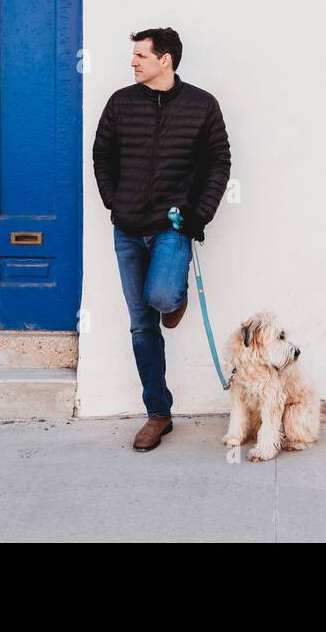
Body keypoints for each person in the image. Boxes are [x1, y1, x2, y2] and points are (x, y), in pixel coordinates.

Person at [92, 27, 231, 451]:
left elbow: (219, 163)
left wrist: (198, 215)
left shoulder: (202, 105)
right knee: (141, 325)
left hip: (173, 227)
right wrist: (115, 201)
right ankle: (158, 413)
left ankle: (176, 299)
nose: (132, 62)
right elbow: (102, 154)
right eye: (133, 56)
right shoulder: (120, 103)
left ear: (165, 59)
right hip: (128, 230)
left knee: (163, 297)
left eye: (140, 56)